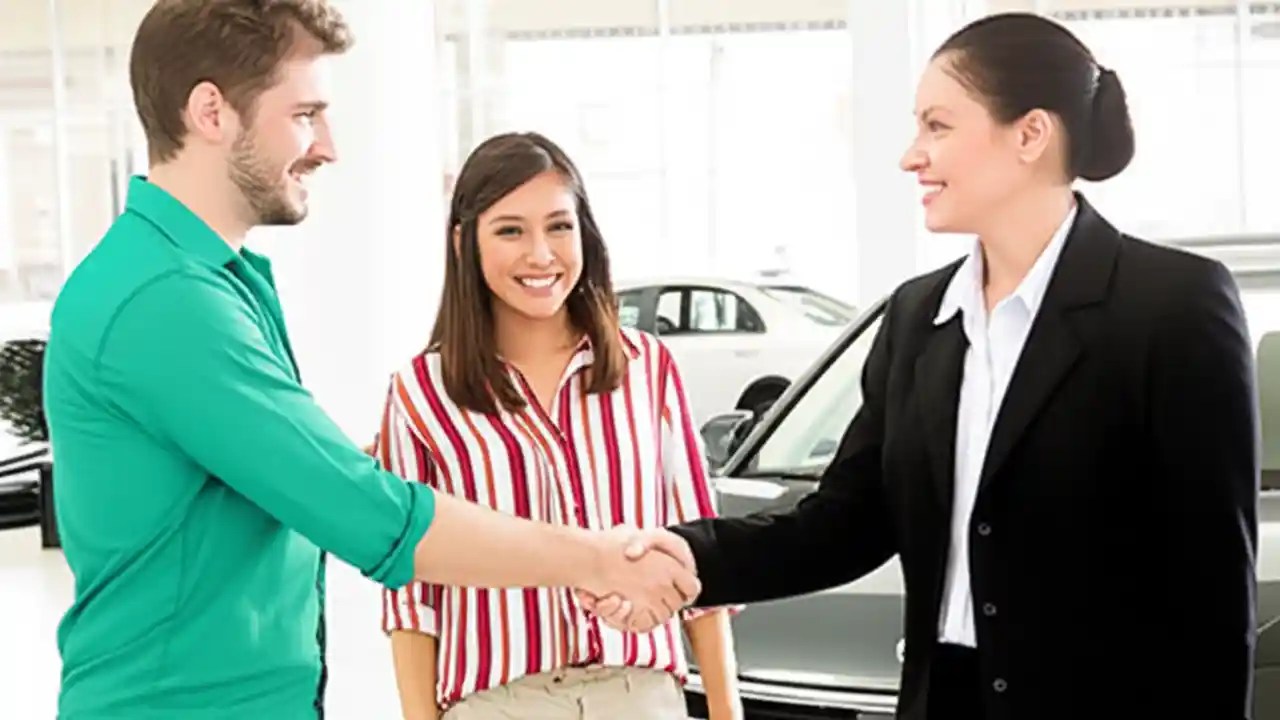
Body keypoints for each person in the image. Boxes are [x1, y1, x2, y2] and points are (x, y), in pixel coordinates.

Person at [587, 11, 1259, 720]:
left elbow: (1212, 595)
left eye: (938, 126)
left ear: (1030, 134)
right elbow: (845, 522)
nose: (912, 156)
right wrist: (688, 558)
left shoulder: (1171, 306)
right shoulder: (917, 317)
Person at [41, 3, 696, 718]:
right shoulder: (164, 300)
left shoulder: (205, 280)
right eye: (305, 114)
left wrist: (338, 463)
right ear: (210, 112)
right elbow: (373, 520)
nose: (327, 146)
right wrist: (598, 560)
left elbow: (244, 485)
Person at [374, 131, 742, 720]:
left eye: (559, 226)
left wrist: (726, 713)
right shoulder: (421, 393)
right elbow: (412, 596)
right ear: (464, 242)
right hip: (498, 704)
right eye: (510, 230)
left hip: (640, 696)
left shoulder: (649, 370)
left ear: (585, 234)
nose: (541, 255)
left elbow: (697, 560)